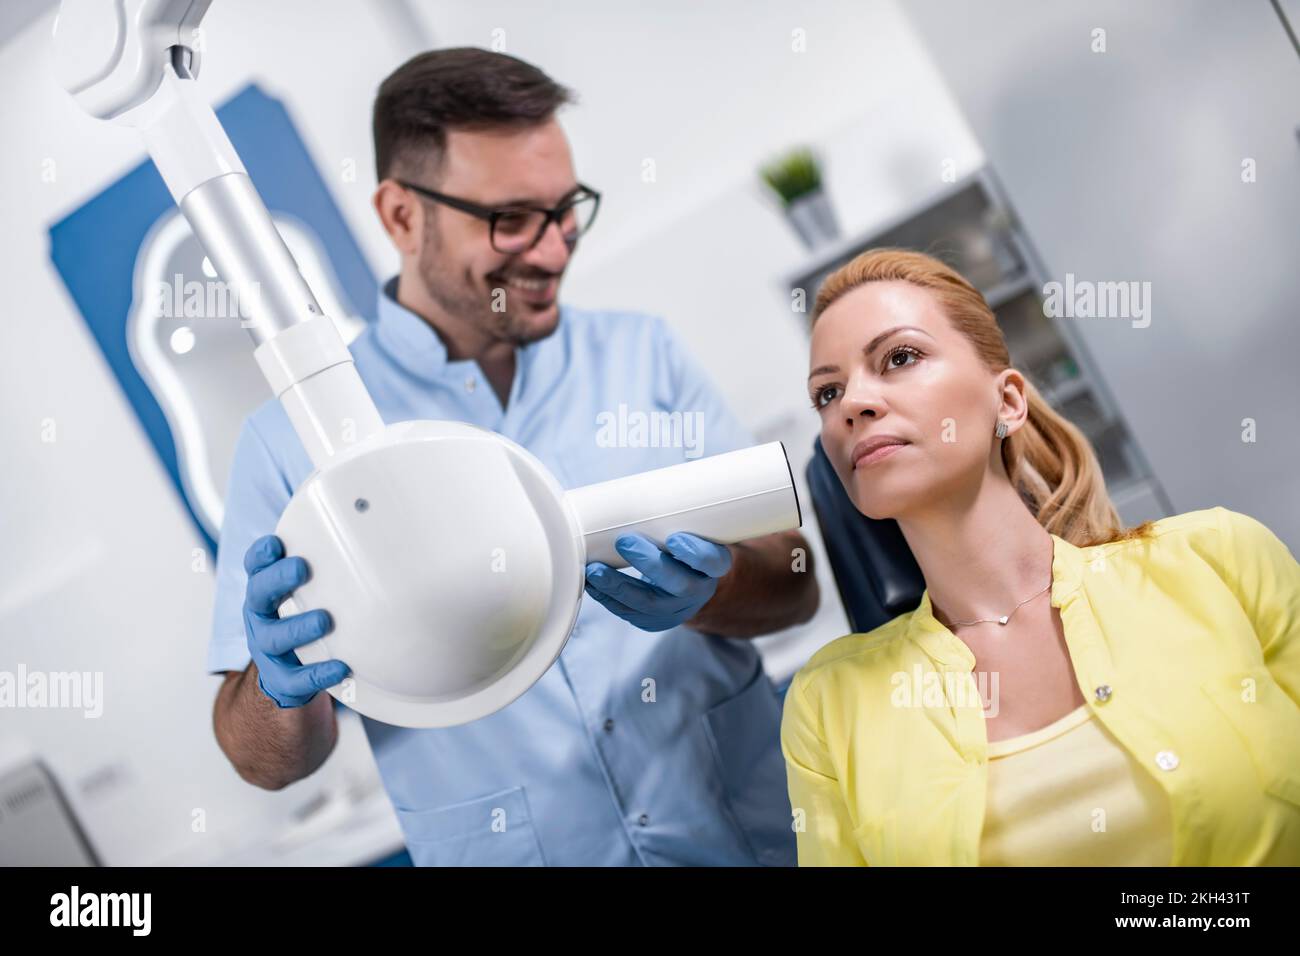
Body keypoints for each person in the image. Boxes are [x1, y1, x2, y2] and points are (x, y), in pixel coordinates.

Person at [209, 48, 818, 866]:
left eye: (565, 210)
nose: (553, 250)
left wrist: (715, 592)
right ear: (400, 216)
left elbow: (797, 582)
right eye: (510, 220)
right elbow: (259, 758)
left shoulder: (644, 354)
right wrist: (282, 689)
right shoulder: (291, 445)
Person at [782, 247, 1300, 866]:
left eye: (900, 357)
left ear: (1007, 402)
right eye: (827, 393)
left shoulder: (1220, 561)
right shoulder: (828, 703)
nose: (851, 406)